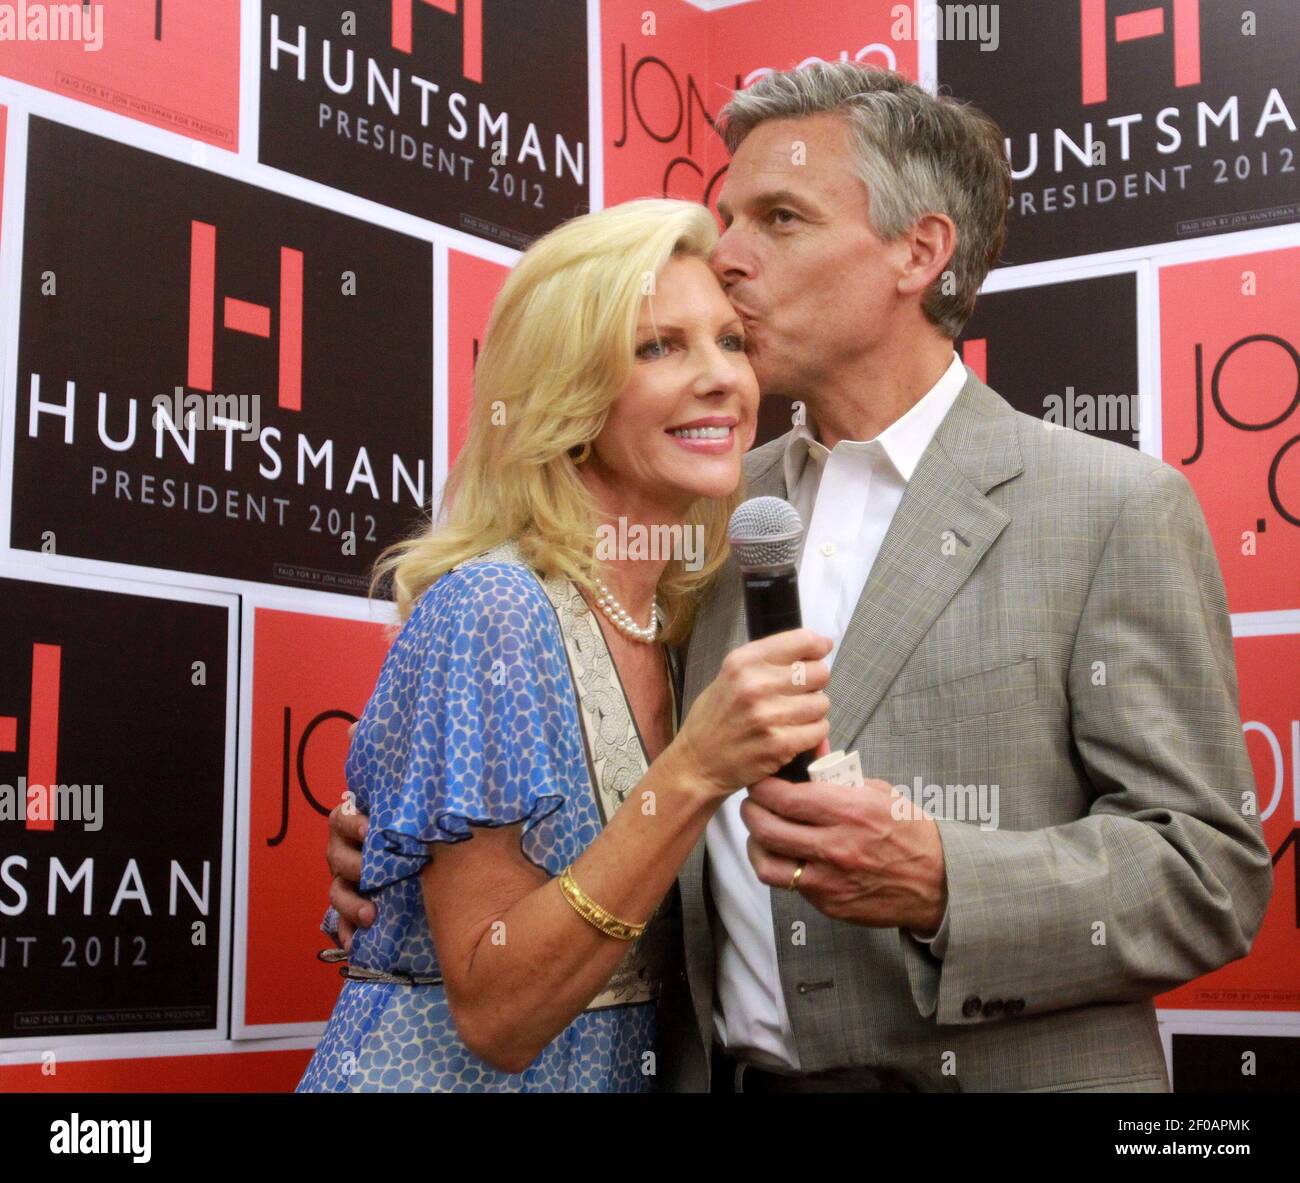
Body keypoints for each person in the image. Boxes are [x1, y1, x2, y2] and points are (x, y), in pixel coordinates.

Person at [327, 63, 1273, 1093]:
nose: (728, 256)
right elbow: (596, 757)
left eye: (779, 218)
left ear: (918, 251)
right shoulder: (704, 509)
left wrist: (945, 879)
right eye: (726, 217)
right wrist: (417, 855)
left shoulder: (1110, 506)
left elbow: (1208, 875)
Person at [297, 197, 833, 1092]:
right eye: (659, 347)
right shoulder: (493, 608)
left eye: (731, 342)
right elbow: (498, 1015)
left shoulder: (681, 622)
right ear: (568, 388)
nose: (721, 380)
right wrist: (694, 770)